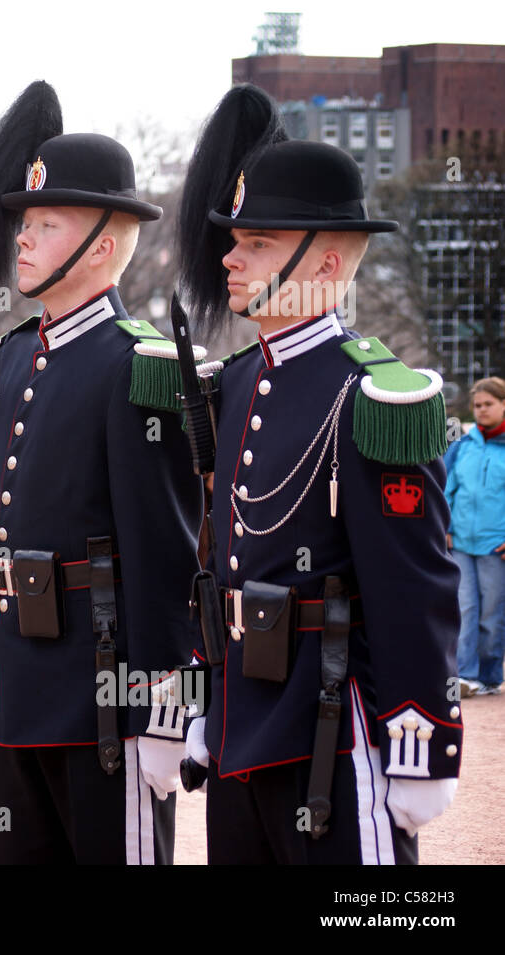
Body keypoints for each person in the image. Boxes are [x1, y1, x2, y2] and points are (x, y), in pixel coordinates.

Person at [176, 83, 461, 864]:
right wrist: (203, 703)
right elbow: (218, 567)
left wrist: (422, 740)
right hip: (241, 729)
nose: (229, 257)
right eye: (235, 238)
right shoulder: (232, 383)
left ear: (324, 260)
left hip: (336, 733)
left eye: (257, 241)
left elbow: (416, 590)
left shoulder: (372, 396)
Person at [0, 81, 202, 864]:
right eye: (23, 222)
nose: (21, 240)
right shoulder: (17, 355)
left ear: (101, 242)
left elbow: (166, 557)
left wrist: (165, 708)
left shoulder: (136, 366)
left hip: (104, 703)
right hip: (18, 690)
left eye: (44, 223)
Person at [445, 376, 505, 697]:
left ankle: (490, 676)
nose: (481, 410)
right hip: (461, 544)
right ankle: (465, 675)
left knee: (491, 615)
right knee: (464, 608)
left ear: (504, 405)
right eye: (477, 405)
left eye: (488, 404)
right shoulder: (462, 447)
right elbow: (446, 489)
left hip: (496, 545)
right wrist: (445, 528)